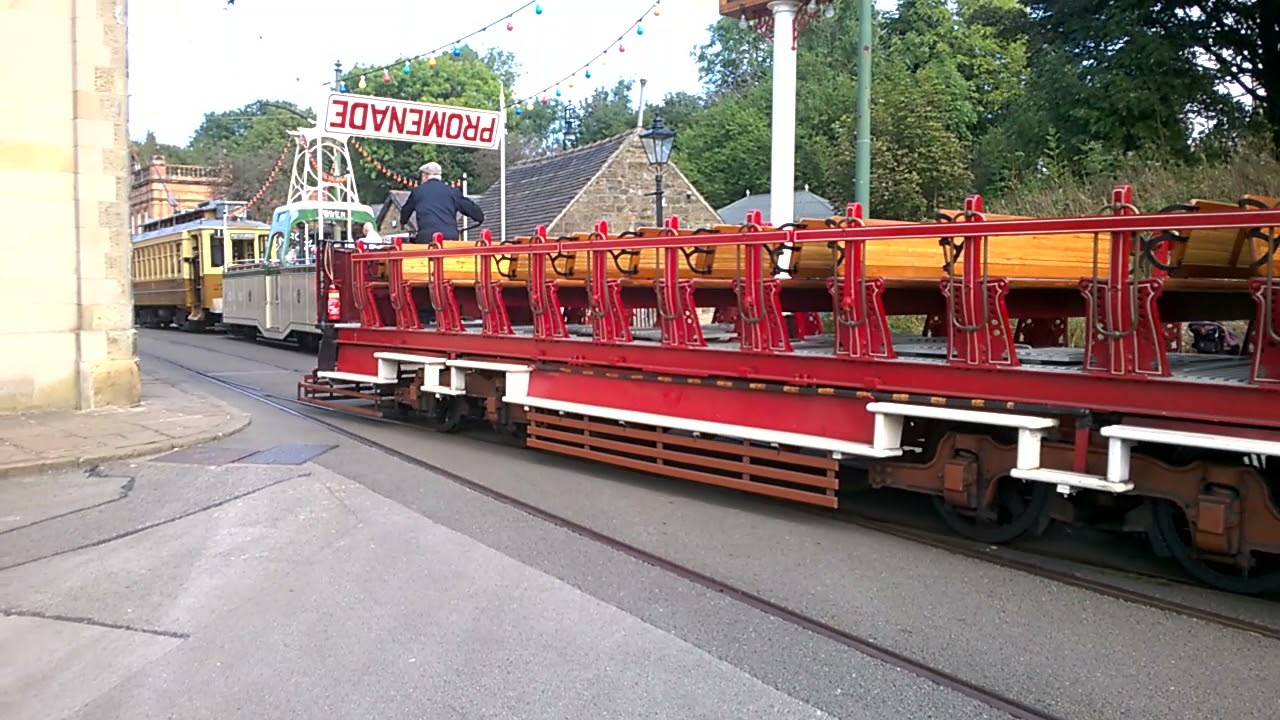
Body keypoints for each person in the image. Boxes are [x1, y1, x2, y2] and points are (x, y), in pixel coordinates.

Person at [399, 161, 484, 243]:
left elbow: (406, 211)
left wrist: (403, 221)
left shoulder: (418, 192)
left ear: (425, 176)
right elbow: (471, 209)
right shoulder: (452, 192)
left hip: (427, 239)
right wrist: (479, 217)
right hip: (450, 239)